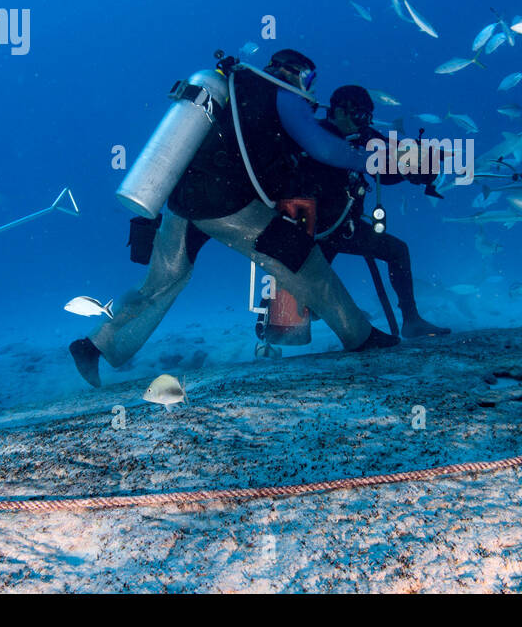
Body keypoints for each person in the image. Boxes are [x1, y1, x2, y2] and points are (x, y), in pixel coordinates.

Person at [69, 50, 398, 388]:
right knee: (305, 263)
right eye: (310, 79)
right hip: (224, 204)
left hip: (181, 199)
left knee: (160, 281)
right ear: (296, 73)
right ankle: (360, 337)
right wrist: (373, 162)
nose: (309, 88)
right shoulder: (282, 93)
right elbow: (322, 149)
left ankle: (94, 344)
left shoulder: (232, 85)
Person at [306, 85, 450, 338]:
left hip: (344, 228)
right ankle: (303, 312)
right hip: (310, 232)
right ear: (339, 111)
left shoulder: (363, 136)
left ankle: (412, 320)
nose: (362, 124)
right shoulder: (312, 136)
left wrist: (416, 168)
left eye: (367, 118)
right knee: (302, 300)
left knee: (398, 251)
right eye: (359, 116)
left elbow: (387, 168)